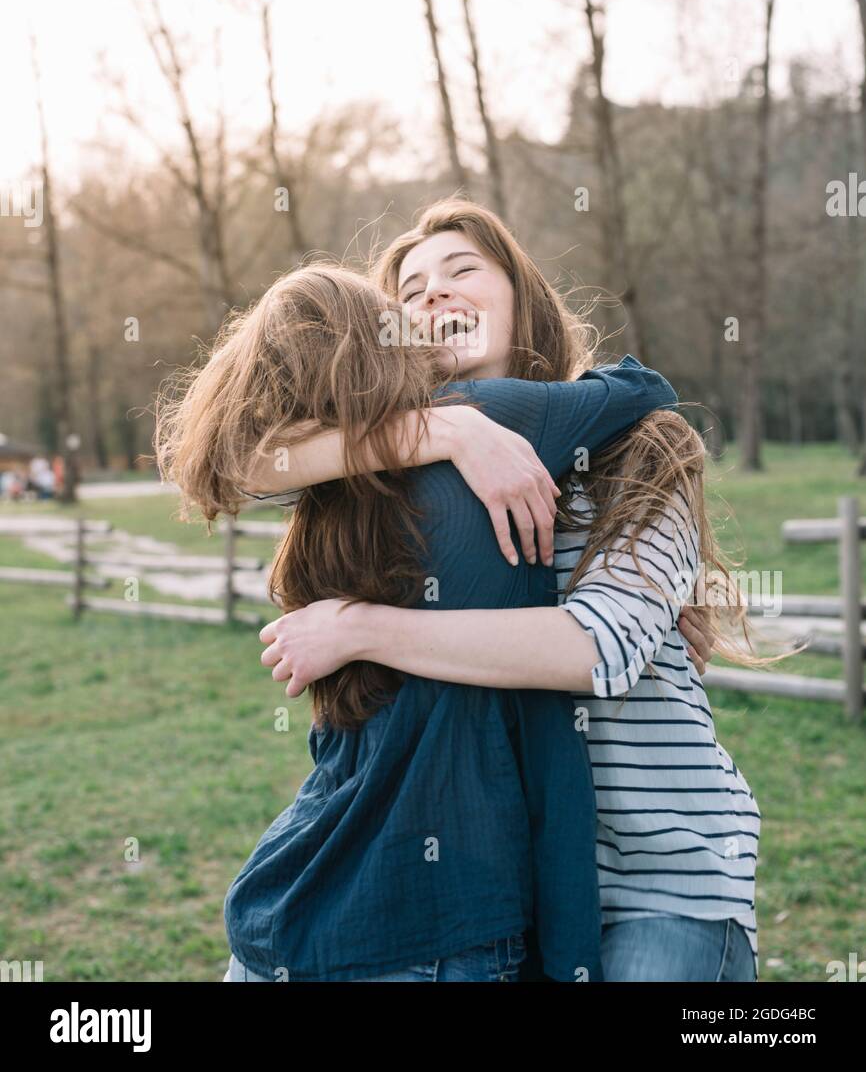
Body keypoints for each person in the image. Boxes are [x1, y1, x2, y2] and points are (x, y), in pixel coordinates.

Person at [242, 199, 781, 981]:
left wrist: (360, 628)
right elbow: (236, 462)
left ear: (522, 293)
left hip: (661, 876)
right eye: (412, 289)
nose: (434, 293)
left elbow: (601, 645)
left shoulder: (637, 440)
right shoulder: (382, 467)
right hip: (518, 886)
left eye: (463, 270)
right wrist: (450, 432)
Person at [155, 261, 679, 982]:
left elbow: (218, 459)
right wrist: (452, 427)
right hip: (439, 912)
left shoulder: (326, 489)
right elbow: (645, 386)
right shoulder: (498, 412)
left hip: (294, 895)